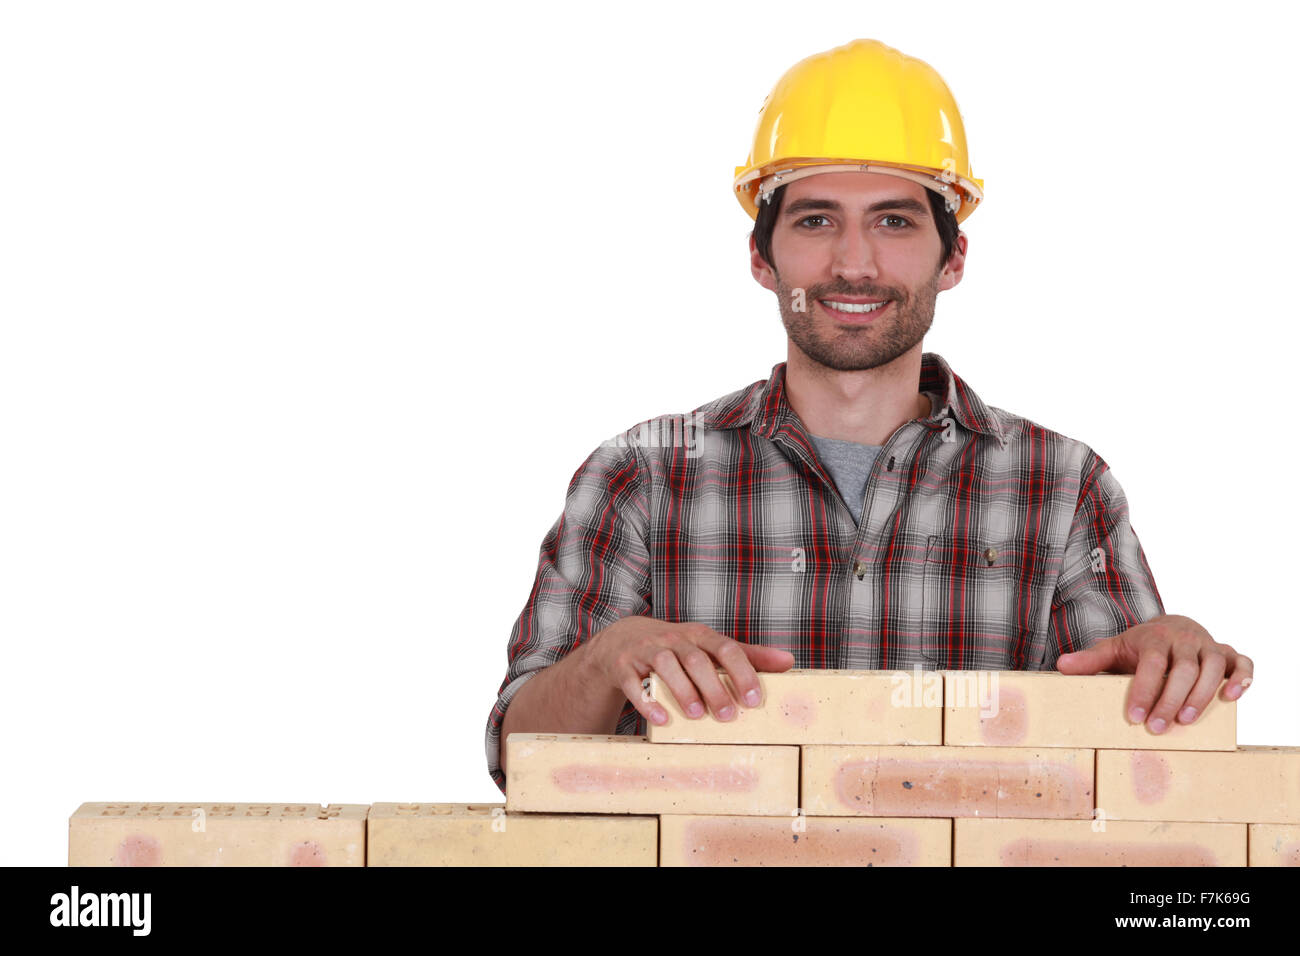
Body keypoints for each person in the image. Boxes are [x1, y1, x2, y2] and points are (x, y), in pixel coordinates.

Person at [485, 39, 1252, 791]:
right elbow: (516, 757)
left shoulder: (1061, 486)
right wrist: (603, 658)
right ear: (762, 258)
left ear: (952, 260)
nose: (854, 264)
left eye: (895, 221)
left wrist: (1169, 664)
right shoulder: (643, 475)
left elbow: (1143, 764)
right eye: (816, 221)